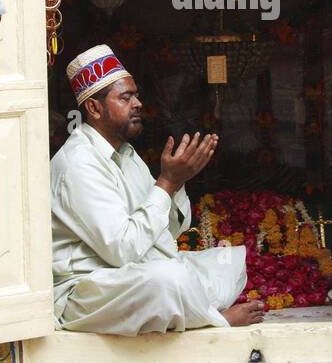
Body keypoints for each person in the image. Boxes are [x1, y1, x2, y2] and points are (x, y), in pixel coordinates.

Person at [50, 44, 266, 334]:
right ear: (94, 107)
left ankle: (190, 310)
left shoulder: (126, 154)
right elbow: (123, 250)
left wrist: (177, 182)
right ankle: (214, 320)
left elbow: (168, 232)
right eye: (125, 97)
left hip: (129, 272)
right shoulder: (78, 162)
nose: (138, 103)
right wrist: (167, 182)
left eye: (136, 95)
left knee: (225, 264)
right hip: (89, 288)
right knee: (167, 280)